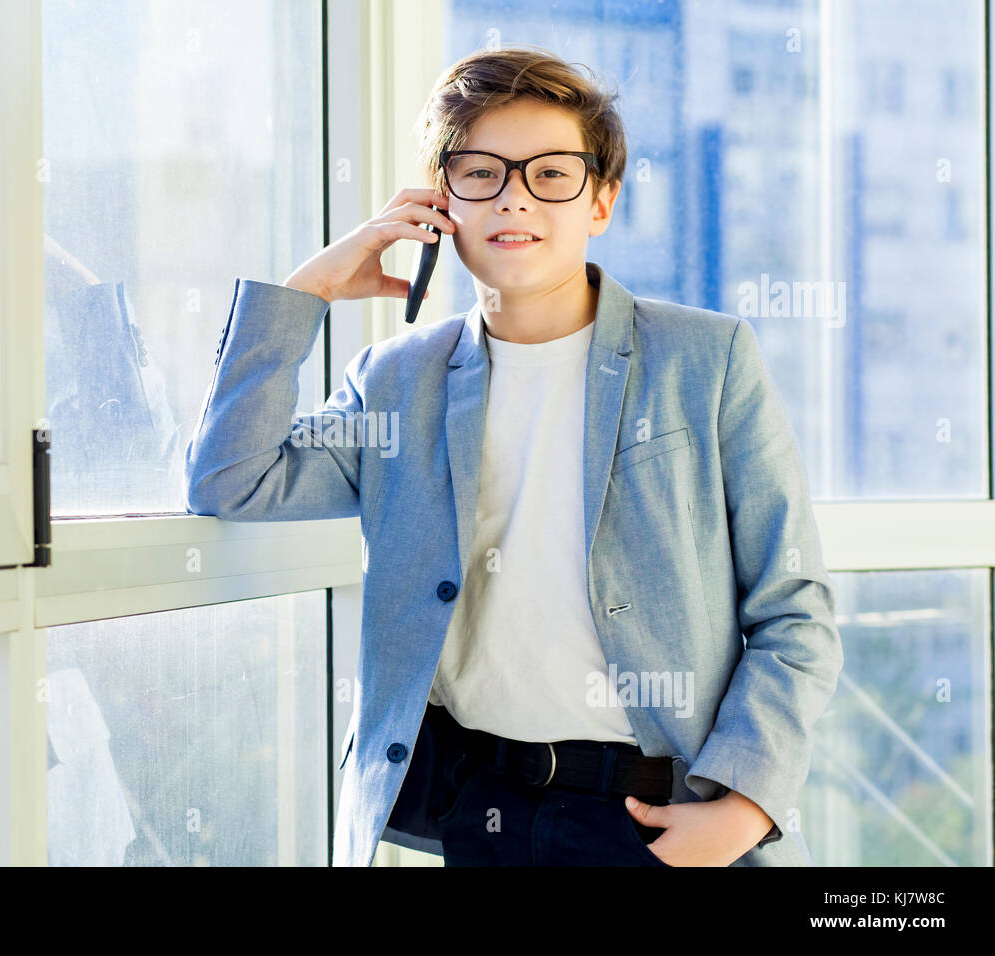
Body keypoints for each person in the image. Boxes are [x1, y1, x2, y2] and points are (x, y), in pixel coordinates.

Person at [183, 45, 843, 867]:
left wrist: (745, 804)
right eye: (481, 172)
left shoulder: (705, 360)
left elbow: (794, 610)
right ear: (439, 199)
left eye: (552, 174)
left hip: (666, 815)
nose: (515, 198)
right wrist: (307, 293)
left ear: (601, 199)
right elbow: (228, 481)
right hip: (480, 807)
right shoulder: (397, 381)